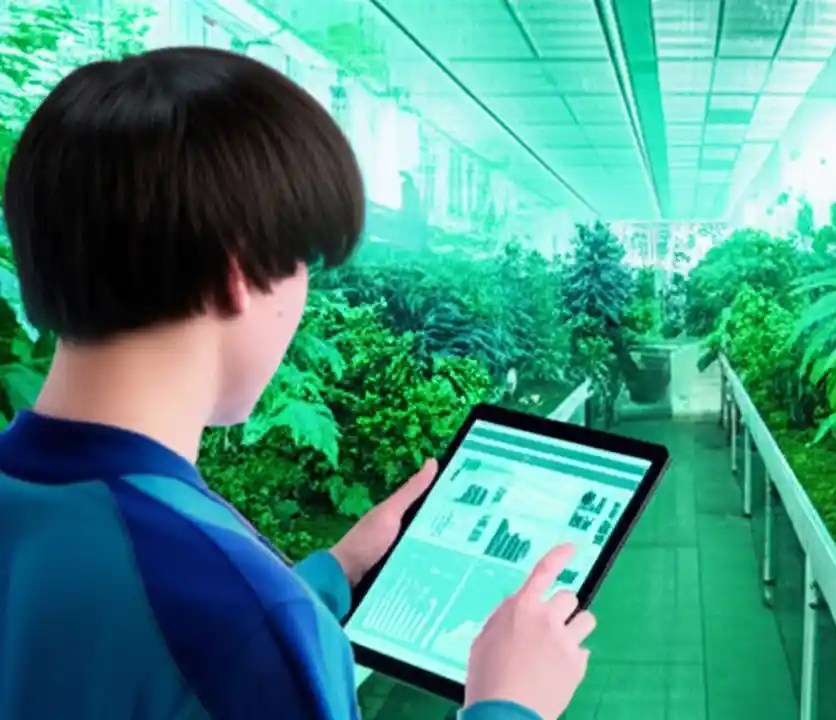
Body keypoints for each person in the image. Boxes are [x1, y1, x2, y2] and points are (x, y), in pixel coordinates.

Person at [0, 47, 594, 720]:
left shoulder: (33, 504)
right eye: (304, 261)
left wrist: (333, 573)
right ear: (240, 274)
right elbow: (218, 630)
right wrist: (508, 705)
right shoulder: (243, 621)